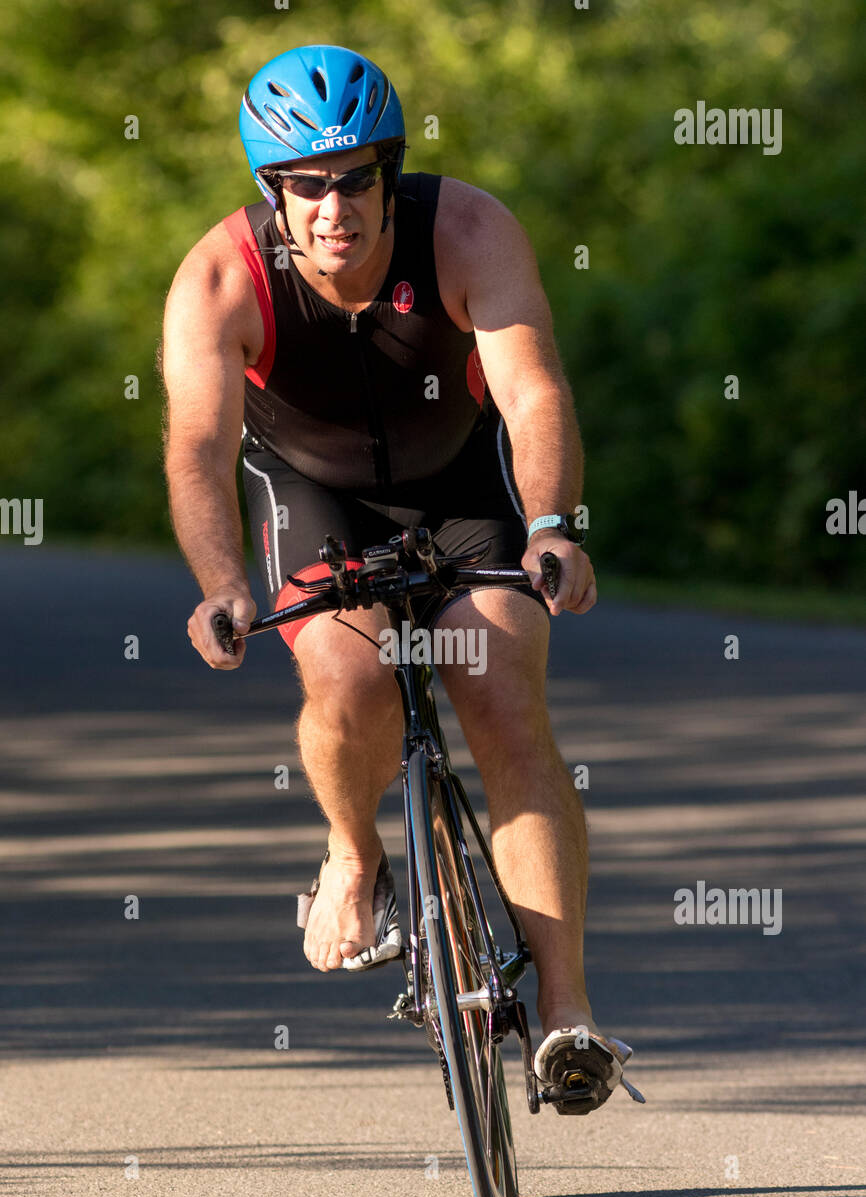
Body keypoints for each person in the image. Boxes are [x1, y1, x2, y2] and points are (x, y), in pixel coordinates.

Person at [161, 44, 641, 1114]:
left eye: (355, 179)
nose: (333, 209)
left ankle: (566, 1019)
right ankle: (351, 857)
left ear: (389, 173)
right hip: (311, 498)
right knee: (347, 672)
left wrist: (554, 525)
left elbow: (529, 390)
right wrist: (221, 582)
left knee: (503, 696)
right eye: (305, 185)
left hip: (463, 485)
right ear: (272, 191)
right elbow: (196, 445)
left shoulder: (467, 232)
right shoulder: (219, 279)